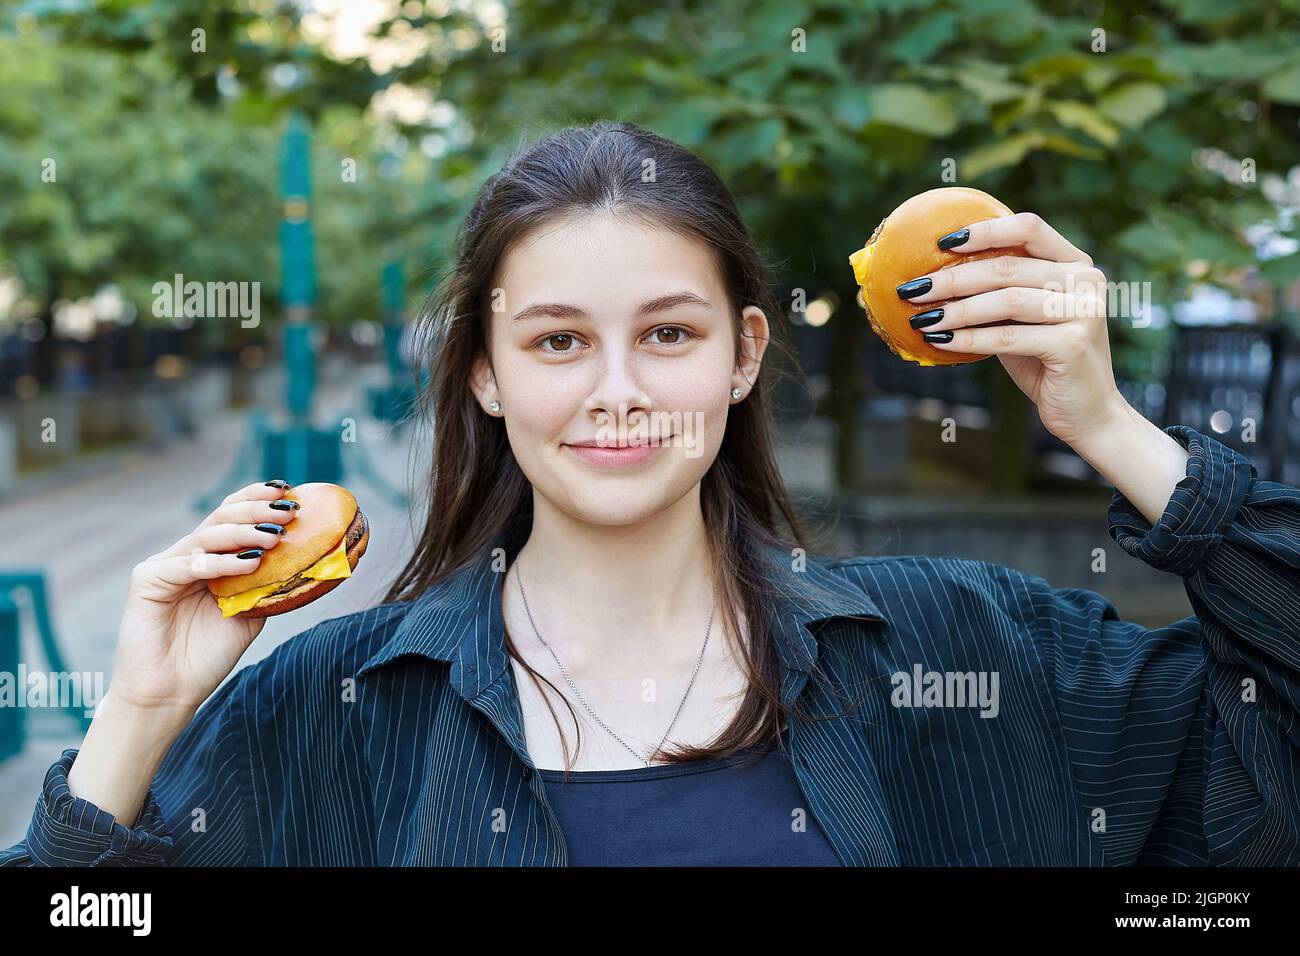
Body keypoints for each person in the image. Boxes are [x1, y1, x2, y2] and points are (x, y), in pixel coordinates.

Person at [3, 121, 1297, 867]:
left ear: (743, 354)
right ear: (487, 376)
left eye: (668, 335)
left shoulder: (970, 654)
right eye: (559, 340)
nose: (617, 389)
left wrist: (1119, 434)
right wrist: (137, 725)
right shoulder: (325, 712)